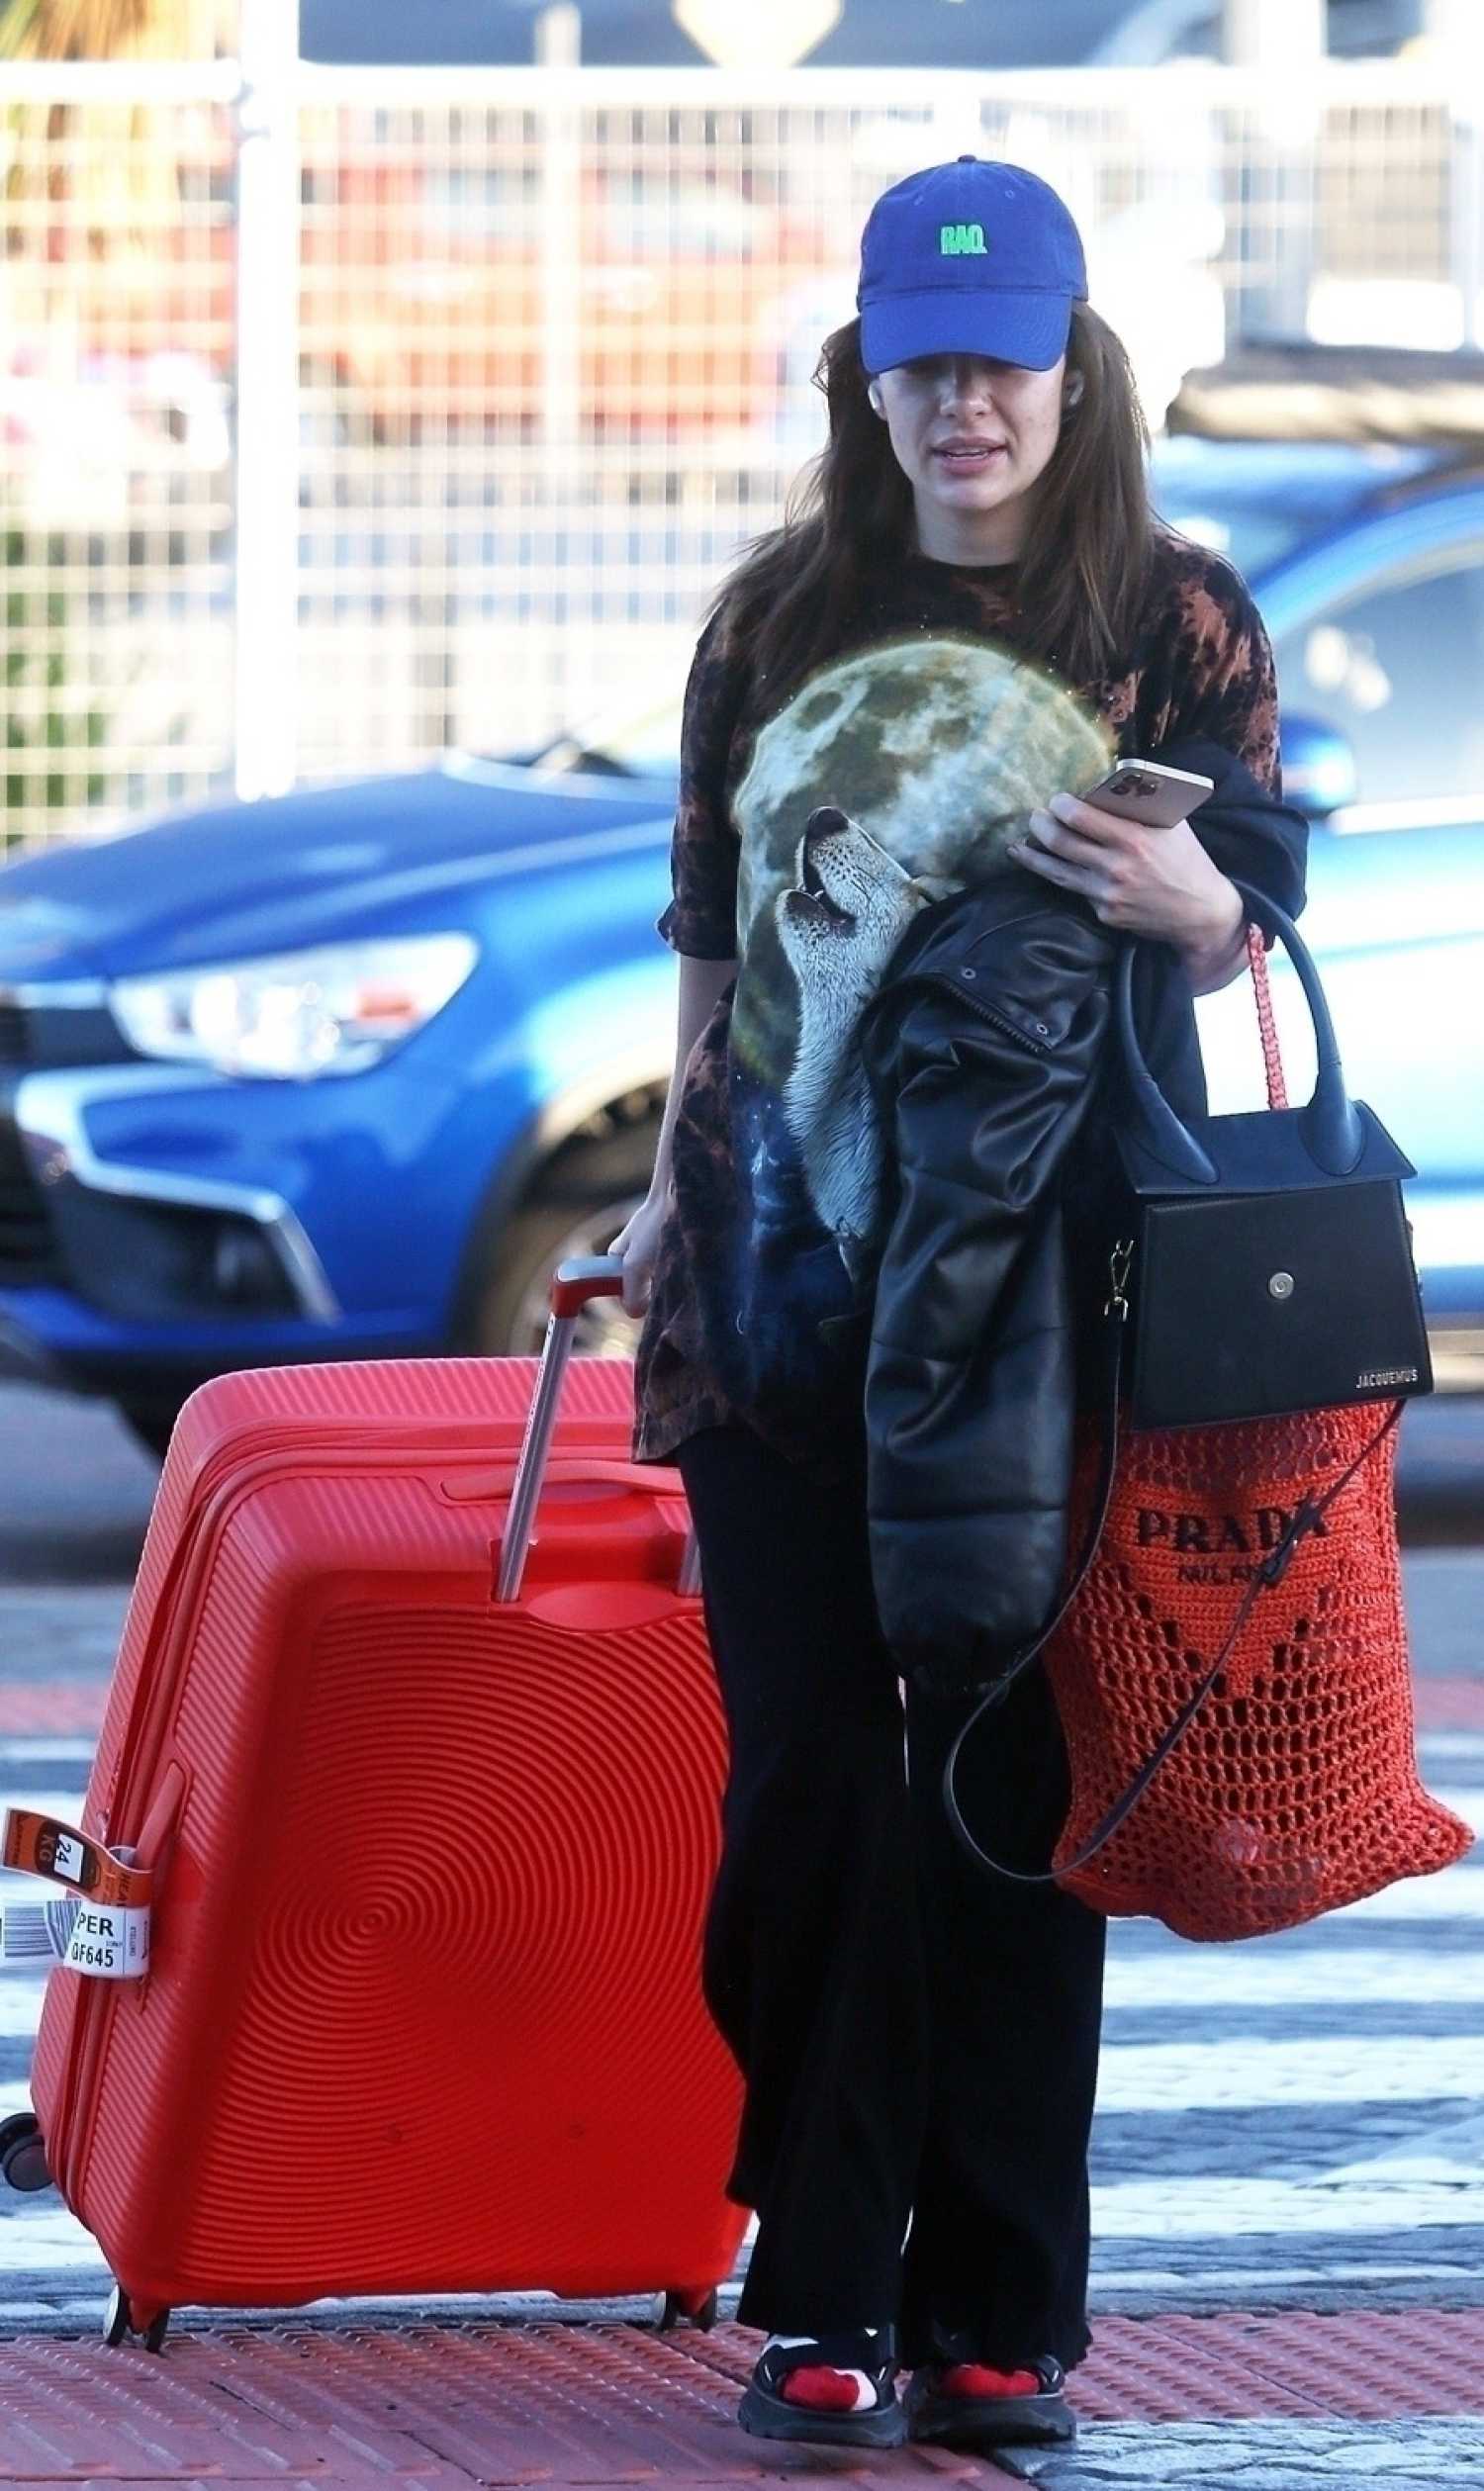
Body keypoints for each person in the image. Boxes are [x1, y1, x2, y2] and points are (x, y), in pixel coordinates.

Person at [611, 157, 1306, 2454]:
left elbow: (1255, 951)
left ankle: (1001, 2303)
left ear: (1072, 369)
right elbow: (711, 944)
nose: (963, 401)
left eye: (1003, 359)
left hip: (1059, 1305)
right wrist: (661, 1194)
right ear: (869, 374)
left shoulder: (1179, 622)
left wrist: (1205, 902)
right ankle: (821, 2284)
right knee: (812, 1775)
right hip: (787, 1282)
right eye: (923, 358)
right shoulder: (775, 620)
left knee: (1017, 1786)